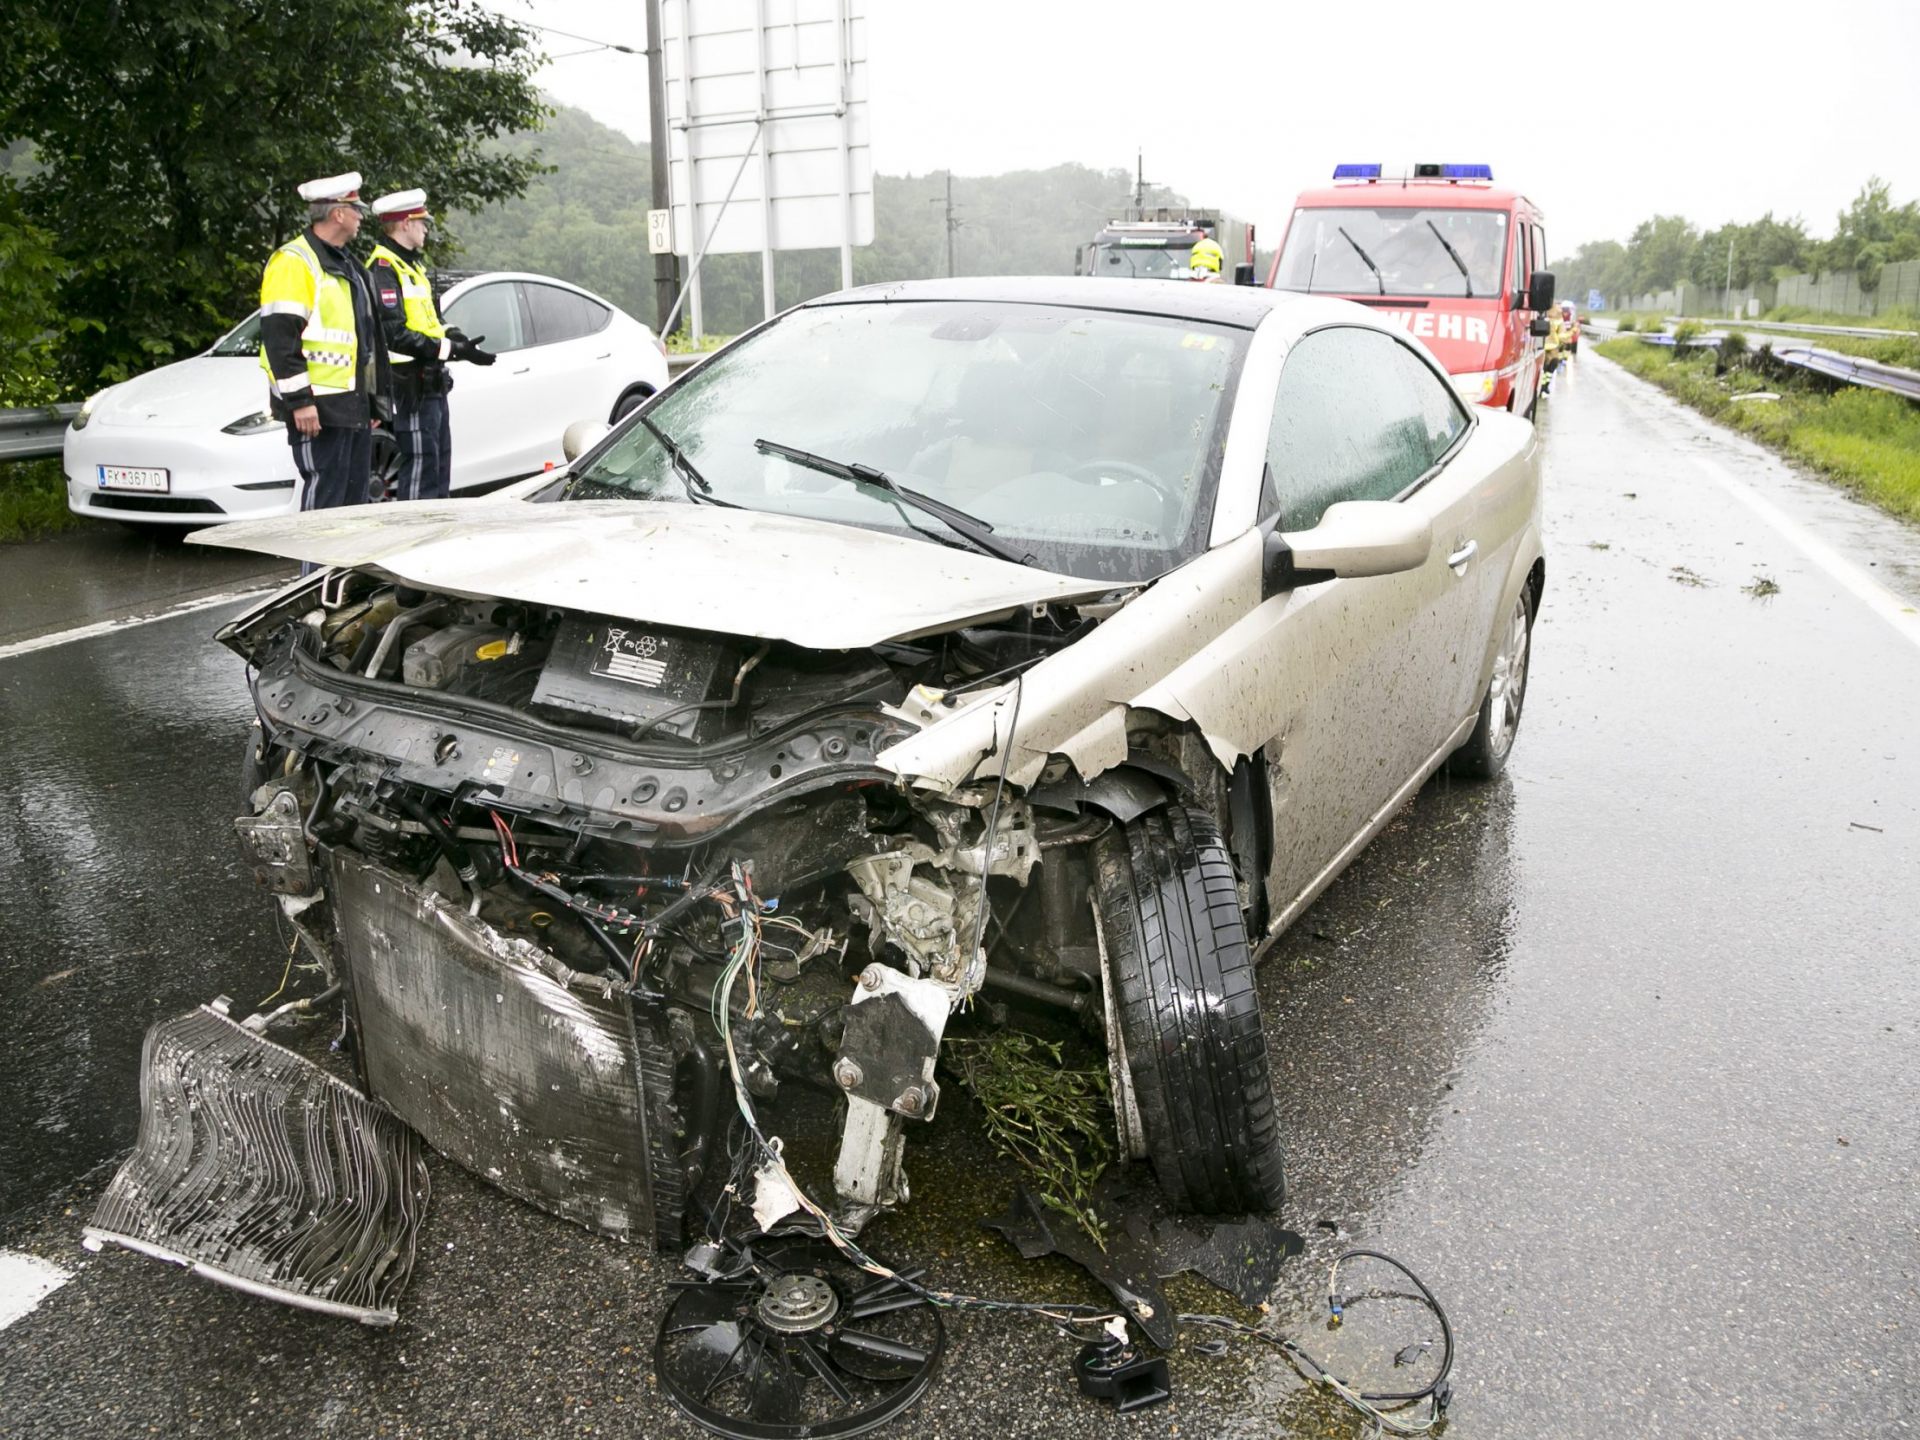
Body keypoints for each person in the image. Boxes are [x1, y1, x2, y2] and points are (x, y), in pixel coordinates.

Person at [259, 172, 390, 517]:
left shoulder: (348, 264)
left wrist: (371, 405)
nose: (361, 217)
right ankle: (314, 574)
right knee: (324, 513)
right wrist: (300, 402)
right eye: (356, 209)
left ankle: (344, 573)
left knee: (351, 510)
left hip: (350, 408)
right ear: (338, 214)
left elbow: (364, 342)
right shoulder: (295, 261)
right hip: (316, 411)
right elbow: (280, 338)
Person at [364, 188, 495, 502]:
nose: (426, 228)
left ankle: (435, 541)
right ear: (405, 224)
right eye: (422, 222)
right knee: (421, 471)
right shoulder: (383, 269)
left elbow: (431, 321)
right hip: (409, 385)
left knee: (438, 468)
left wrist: (458, 338)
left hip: (432, 384)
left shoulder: (413, 268)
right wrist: (451, 350)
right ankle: (412, 542)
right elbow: (394, 333)